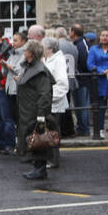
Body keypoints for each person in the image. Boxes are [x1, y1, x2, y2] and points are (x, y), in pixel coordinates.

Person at [17, 40, 57, 181]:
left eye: (26, 50)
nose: (23, 52)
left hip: (36, 111)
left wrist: (41, 114)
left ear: (31, 54)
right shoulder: (30, 67)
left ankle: (40, 169)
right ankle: (37, 167)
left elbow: (45, 93)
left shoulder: (40, 71)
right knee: (32, 140)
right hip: (27, 111)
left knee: (40, 140)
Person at [41, 37, 70, 168]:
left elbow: (63, 83)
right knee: (44, 130)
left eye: (43, 47)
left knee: (52, 131)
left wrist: (52, 97)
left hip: (53, 103)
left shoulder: (58, 61)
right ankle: (45, 157)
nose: (40, 49)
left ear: (50, 49)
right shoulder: (45, 59)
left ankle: (53, 159)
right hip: (45, 102)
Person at [87, 29, 108, 137]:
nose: (104, 37)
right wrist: (100, 71)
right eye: (103, 35)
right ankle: (100, 130)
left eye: (107, 35)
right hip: (98, 81)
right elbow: (90, 64)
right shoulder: (94, 49)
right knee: (100, 107)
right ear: (99, 37)